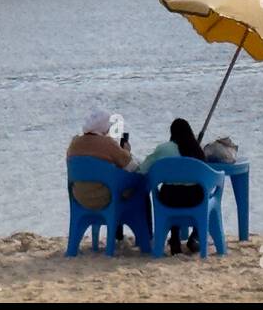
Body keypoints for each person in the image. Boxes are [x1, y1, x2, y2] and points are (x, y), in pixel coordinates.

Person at [140, 118, 205, 255]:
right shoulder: (196, 151)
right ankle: (194, 236)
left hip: (169, 199)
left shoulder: (164, 149)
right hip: (193, 200)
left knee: (171, 189)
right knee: (201, 191)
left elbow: (144, 168)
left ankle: (174, 237)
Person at [66, 108, 139, 210]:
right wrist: (127, 151)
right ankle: (137, 222)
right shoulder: (108, 143)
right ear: (104, 127)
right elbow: (132, 167)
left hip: (79, 197)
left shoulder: (74, 143)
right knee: (139, 181)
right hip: (104, 198)